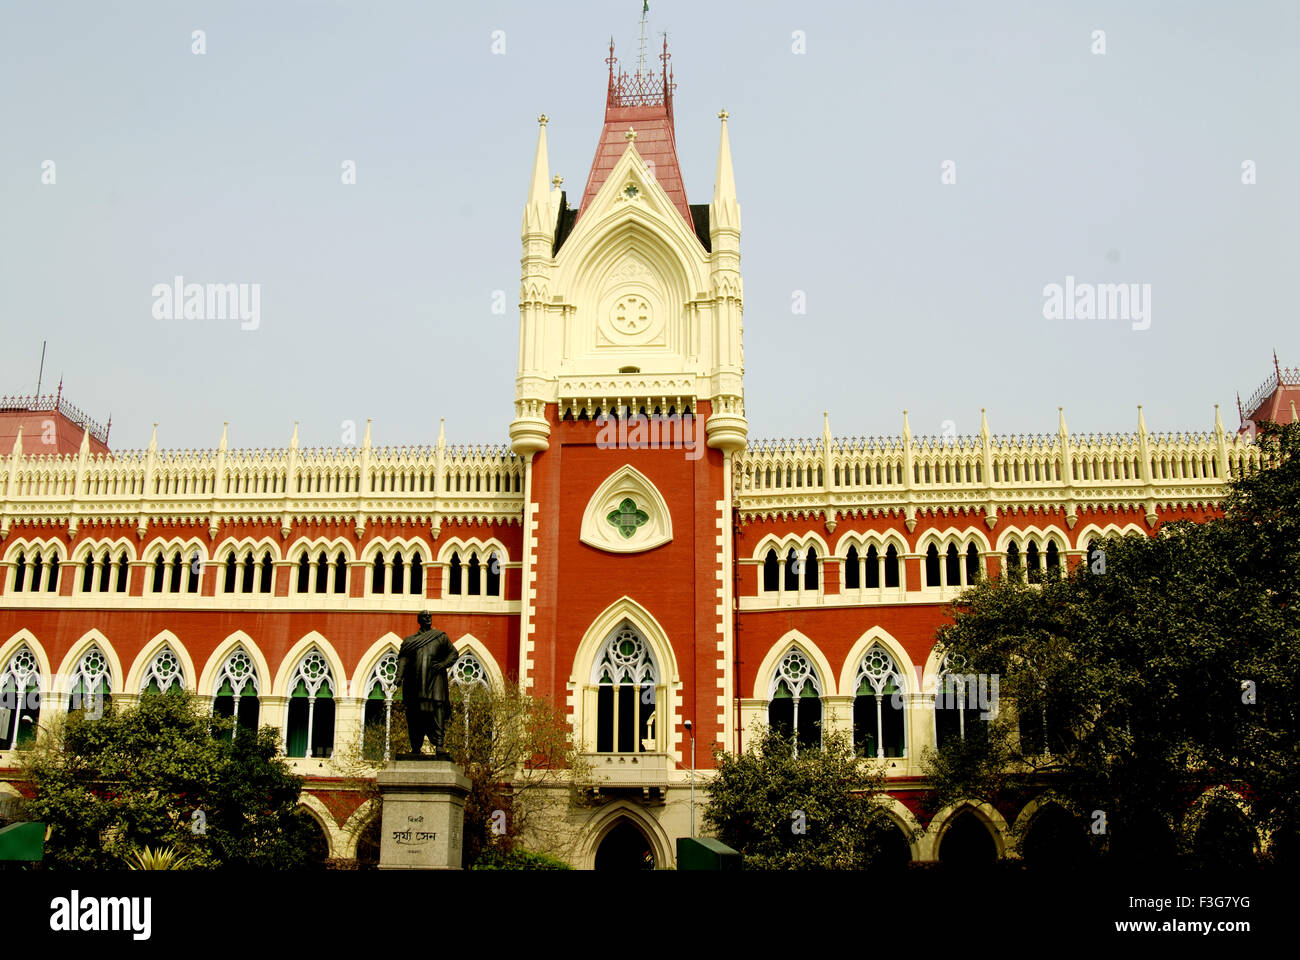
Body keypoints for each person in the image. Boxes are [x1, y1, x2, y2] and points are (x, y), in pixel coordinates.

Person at [394, 610, 460, 756]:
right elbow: (403, 660)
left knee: (438, 708)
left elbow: (454, 654)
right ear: (419, 620)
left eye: (430, 616)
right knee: (414, 712)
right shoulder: (409, 641)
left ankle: (439, 745)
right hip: (415, 681)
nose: (428, 619)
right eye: (425, 617)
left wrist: (443, 664)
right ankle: (416, 747)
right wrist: (399, 677)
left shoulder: (440, 637)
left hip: (435, 680)